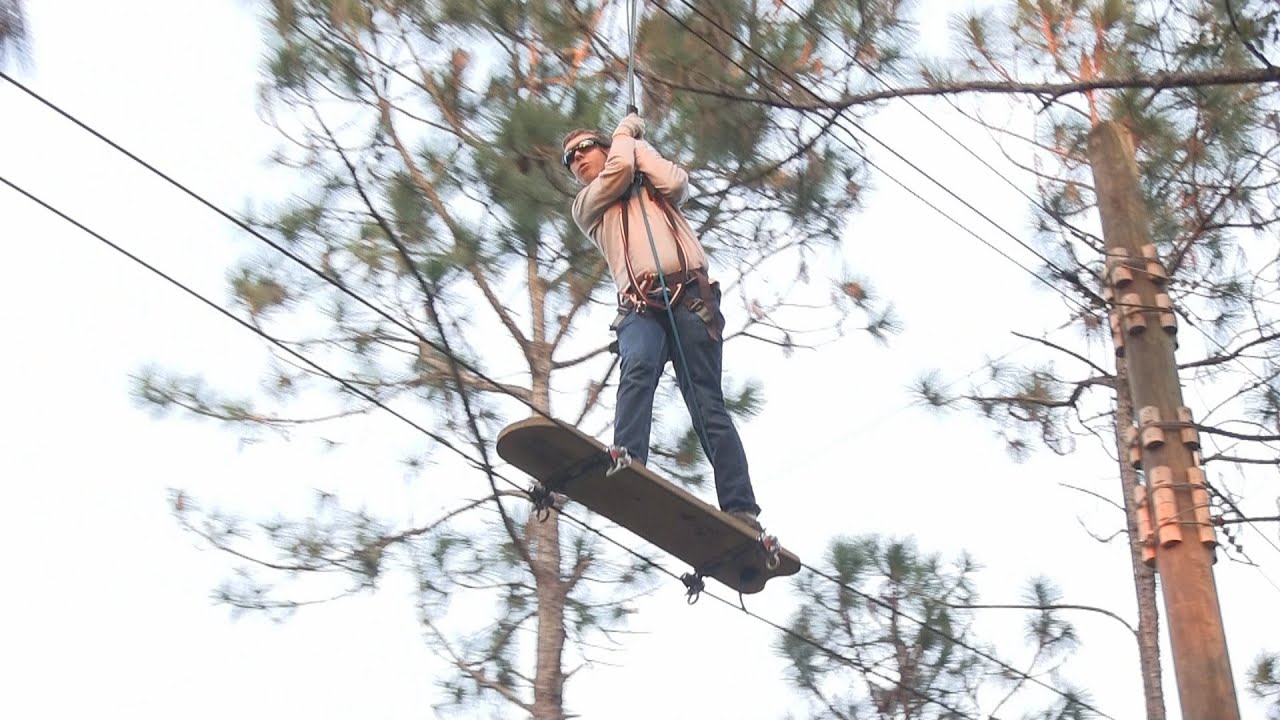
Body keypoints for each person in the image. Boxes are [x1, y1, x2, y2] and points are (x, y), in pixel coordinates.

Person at [561, 113, 763, 532]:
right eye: (570, 159)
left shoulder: (653, 187)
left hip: (690, 299)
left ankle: (741, 507)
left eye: (584, 148)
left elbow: (676, 183)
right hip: (639, 307)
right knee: (638, 367)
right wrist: (624, 134)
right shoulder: (588, 204)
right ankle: (628, 458)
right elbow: (617, 174)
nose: (577, 159)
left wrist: (635, 144)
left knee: (707, 403)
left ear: (603, 148)